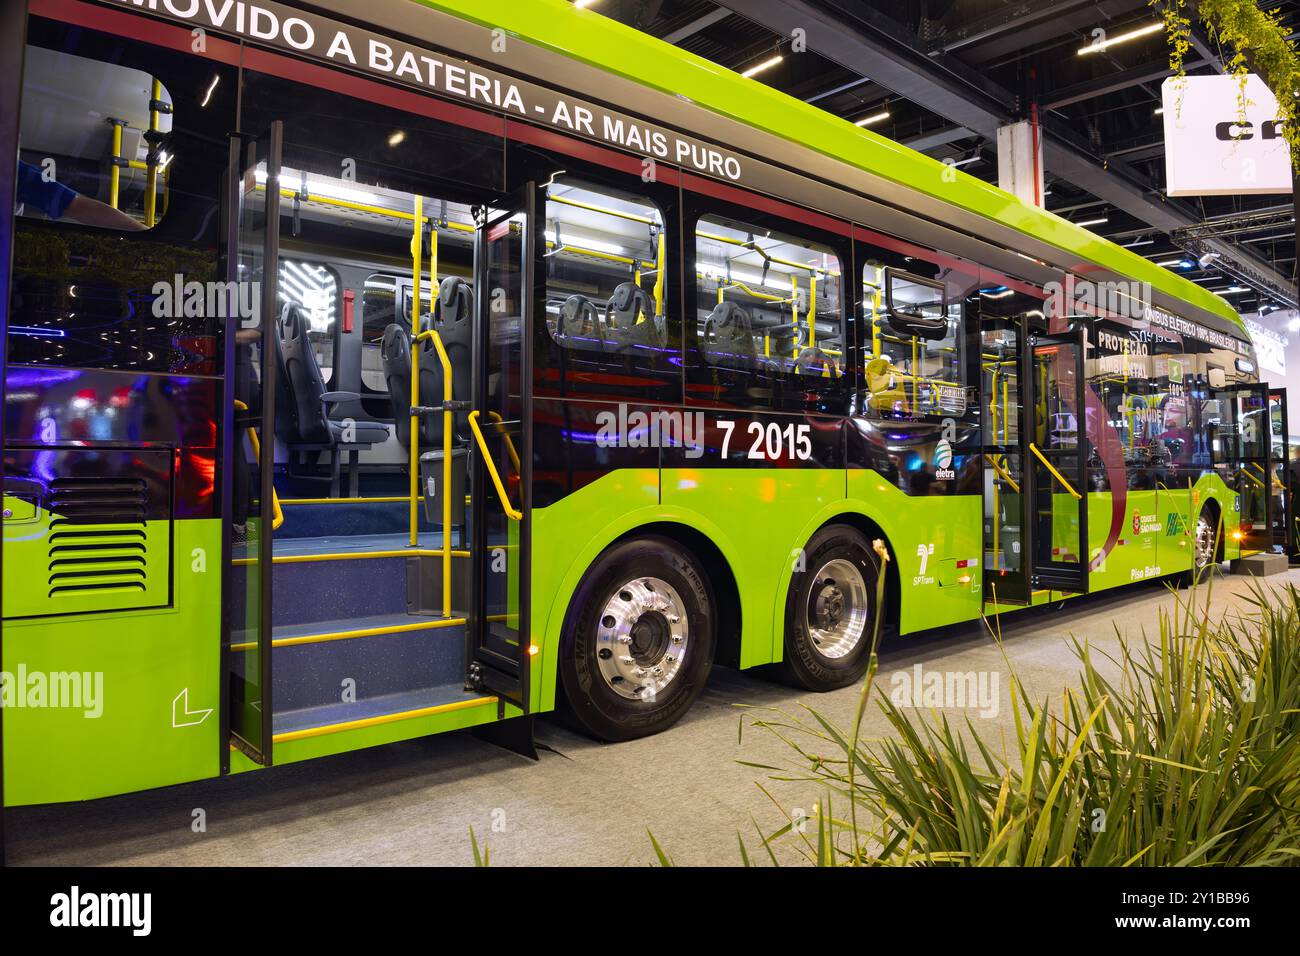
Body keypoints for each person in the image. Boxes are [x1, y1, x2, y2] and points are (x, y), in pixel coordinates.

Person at [17, 159, 147, 231]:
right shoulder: (10, 170)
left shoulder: (12, 171)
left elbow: (76, 206)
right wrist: (145, 233)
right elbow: (76, 206)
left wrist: (144, 232)